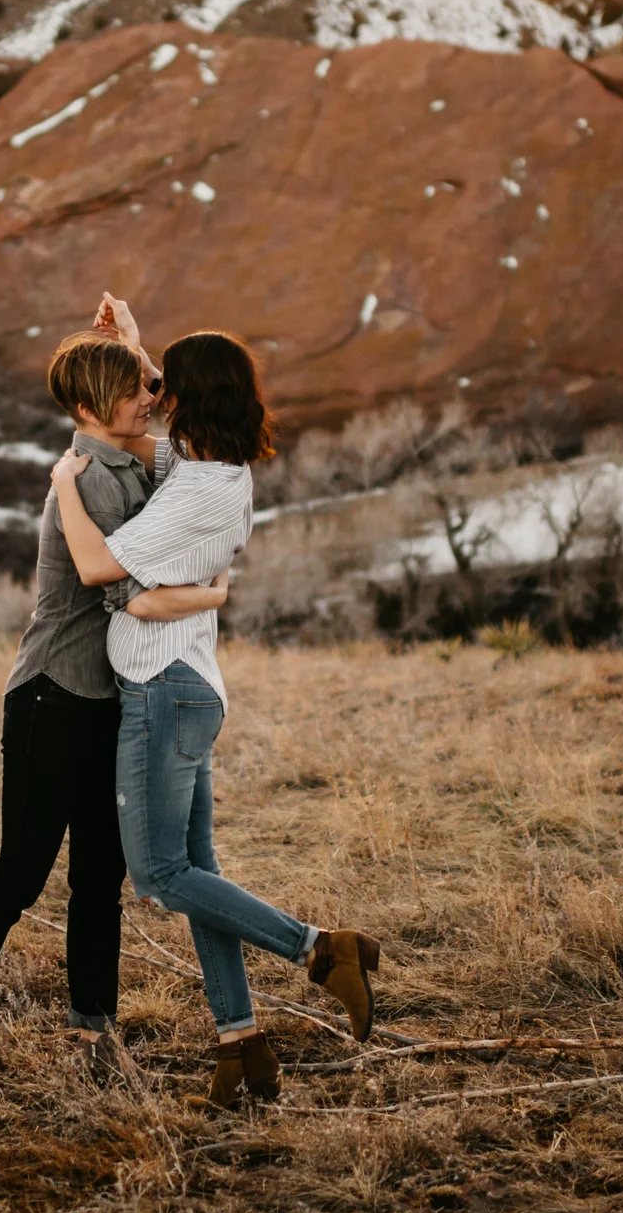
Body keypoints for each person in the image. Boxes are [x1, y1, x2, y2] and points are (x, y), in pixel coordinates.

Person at [49, 297, 383, 1110]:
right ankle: (240, 1047)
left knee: (160, 874)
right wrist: (131, 345)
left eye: (166, 389)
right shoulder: (208, 468)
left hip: (162, 691)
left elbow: (95, 568)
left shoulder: (197, 489)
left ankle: (319, 949)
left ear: (193, 400)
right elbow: (160, 431)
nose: (152, 397)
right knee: (198, 874)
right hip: (185, 686)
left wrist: (64, 482)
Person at [0, 326, 229, 1113]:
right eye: (138, 388)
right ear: (95, 404)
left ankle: (95, 1039)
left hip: (113, 701)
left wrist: (129, 343)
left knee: (101, 881)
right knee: (20, 874)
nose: (154, 397)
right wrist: (216, 593)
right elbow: (120, 589)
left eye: (153, 386)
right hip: (53, 697)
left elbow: (166, 421)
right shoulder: (91, 477)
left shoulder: (135, 460)